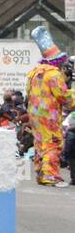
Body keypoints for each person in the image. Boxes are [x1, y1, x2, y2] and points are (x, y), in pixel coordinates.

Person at [24, 25, 71, 186]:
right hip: (49, 115)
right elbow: (64, 97)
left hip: (34, 114)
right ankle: (50, 175)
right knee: (53, 142)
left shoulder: (34, 72)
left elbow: (27, 93)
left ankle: (40, 173)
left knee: (39, 142)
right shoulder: (54, 75)